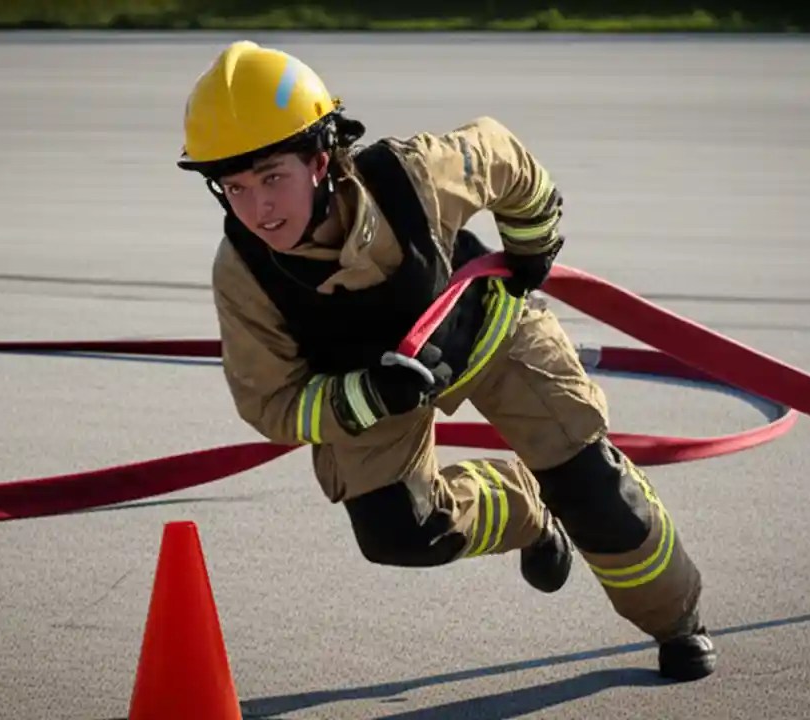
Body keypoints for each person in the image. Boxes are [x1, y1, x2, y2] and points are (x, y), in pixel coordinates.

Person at [176, 40, 716, 681]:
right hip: (372, 387)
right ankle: (528, 511)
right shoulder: (242, 272)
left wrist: (532, 240)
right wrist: (368, 396)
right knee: (399, 533)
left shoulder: (410, 175)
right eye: (234, 187)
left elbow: (503, 155)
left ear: (321, 160)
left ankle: (677, 619)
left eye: (273, 178)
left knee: (593, 489)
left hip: (487, 332)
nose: (259, 210)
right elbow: (270, 402)